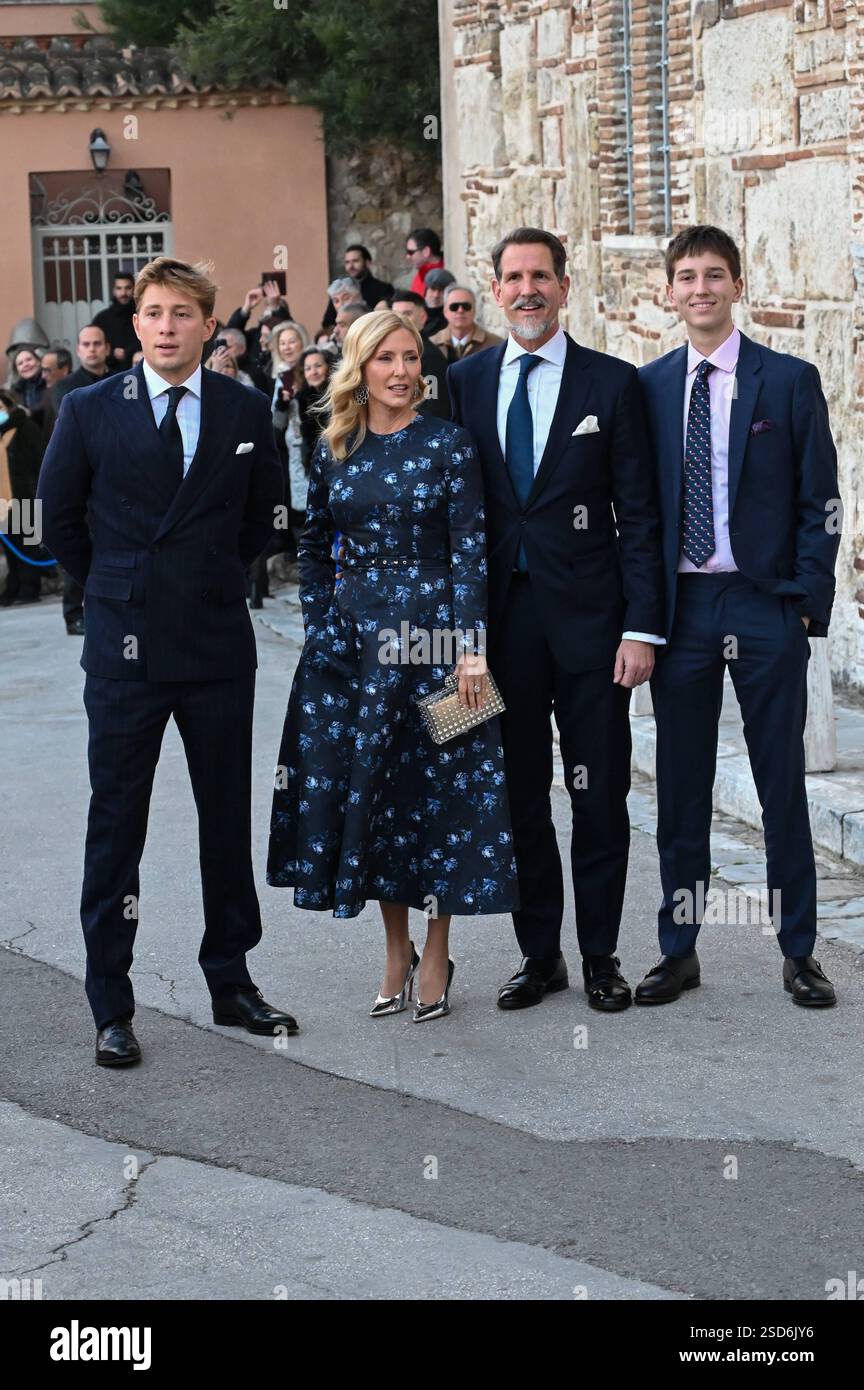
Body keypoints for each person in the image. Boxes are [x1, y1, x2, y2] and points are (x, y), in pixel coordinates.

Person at [37, 255, 296, 1068]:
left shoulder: (246, 411)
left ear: (208, 324)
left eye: (183, 314)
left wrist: (211, 579)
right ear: (135, 323)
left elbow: (265, 520)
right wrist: (122, 585)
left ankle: (231, 978)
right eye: (152, 313)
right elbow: (60, 524)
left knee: (225, 817)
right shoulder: (87, 410)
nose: (166, 327)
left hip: (217, 642)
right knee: (117, 826)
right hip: (124, 650)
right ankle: (111, 1003)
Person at [267, 310, 518, 1020]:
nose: (402, 372)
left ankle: (437, 948)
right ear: (361, 368)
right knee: (371, 799)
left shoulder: (449, 446)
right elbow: (313, 547)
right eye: (386, 359)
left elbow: (471, 550)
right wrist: (321, 628)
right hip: (351, 654)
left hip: (437, 646)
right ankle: (395, 947)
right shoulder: (334, 447)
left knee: (439, 800)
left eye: (411, 358)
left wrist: (473, 649)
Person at [448, 226, 664, 1013]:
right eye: (513, 277)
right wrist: (458, 637)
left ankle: (601, 955)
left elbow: (639, 514)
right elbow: (454, 515)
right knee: (517, 798)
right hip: (500, 632)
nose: (528, 289)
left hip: (595, 630)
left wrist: (643, 627)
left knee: (598, 794)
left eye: (542, 276)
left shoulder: (612, 385)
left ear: (565, 288)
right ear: (496, 290)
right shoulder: (464, 382)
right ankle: (540, 956)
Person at [637, 225, 841, 1009]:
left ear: (737, 285)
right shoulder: (649, 388)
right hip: (683, 609)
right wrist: (641, 618)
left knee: (779, 783)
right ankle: (679, 950)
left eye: (714, 275)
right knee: (680, 787)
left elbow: (820, 502)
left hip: (763, 606)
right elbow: (638, 510)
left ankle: (799, 954)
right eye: (686, 276)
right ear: (669, 292)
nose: (700, 288)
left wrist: (804, 607)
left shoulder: (787, 381)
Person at [42, 325, 114, 636]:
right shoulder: (66, 389)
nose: (93, 349)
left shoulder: (122, 379)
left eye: (98, 343)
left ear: (107, 348)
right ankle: (73, 613)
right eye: (87, 344)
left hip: (112, 477)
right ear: (79, 349)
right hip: (77, 478)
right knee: (75, 539)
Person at [0, 387, 44, 606]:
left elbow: (40, 460)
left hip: (25, 494)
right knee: (10, 547)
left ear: (8, 407)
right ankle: (13, 586)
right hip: (2, 500)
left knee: (28, 544)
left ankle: (30, 587)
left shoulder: (25, 427)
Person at [391, 292, 450, 421]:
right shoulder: (390, 353)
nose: (400, 320)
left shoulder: (429, 357)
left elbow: (434, 408)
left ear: (422, 317)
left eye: (407, 314)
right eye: (395, 315)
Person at [321, 246, 394, 328]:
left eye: (355, 261)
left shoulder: (383, 289)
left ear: (367, 263)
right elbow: (327, 323)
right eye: (347, 262)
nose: (351, 266)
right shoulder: (338, 291)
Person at [429, 285, 504, 364]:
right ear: (445, 312)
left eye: (466, 306)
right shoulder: (432, 344)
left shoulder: (496, 345)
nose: (460, 310)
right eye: (454, 306)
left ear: (474, 310)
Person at [92, 271, 139, 368]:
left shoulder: (142, 316)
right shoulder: (102, 319)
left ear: (134, 289)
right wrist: (112, 353)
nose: (123, 293)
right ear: (114, 290)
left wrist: (128, 353)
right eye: (119, 288)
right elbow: (94, 345)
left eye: (128, 288)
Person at [10, 349, 46, 426]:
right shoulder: (14, 390)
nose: (25, 364)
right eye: (20, 363)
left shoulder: (49, 380)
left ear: (39, 362)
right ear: (17, 370)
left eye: (29, 359)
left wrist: (29, 412)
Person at [406, 228, 444, 297]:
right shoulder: (419, 277)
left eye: (411, 252)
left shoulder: (445, 275)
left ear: (426, 251)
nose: (408, 257)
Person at [422, 268, 456, 338]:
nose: (436, 295)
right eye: (433, 289)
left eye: (441, 290)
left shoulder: (451, 317)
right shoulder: (416, 311)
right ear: (426, 290)